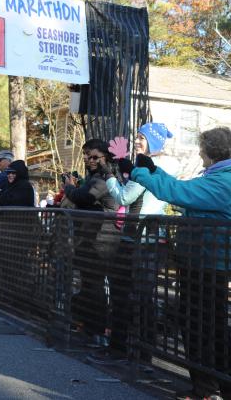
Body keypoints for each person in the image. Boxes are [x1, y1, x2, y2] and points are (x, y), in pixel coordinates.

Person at [130, 127, 231, 400]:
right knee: (205, 324)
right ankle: (218, 388)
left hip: (207, 261)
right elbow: (184, 189)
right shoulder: (221, 176)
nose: (200, 153)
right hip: (201, 258)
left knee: (203, 325)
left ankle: (213, 389)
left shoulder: (223, 182)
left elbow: (178, 192)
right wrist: (154, 170)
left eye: (202, 149)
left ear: (211, 152)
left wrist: (139, 173)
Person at [91, 123, 180, 367]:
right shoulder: (151, 165)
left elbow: (124, 196)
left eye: (142, 137)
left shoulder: (149, 167)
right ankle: (134, 352)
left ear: (154, 142)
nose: (137, 140)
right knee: (134, 296)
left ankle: (131, 352)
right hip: (140, 238)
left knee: (133, 296)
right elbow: (131, 188)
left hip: (142, 239)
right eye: (137, 136)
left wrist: (110, 175)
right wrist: (122, 163)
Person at [61, 139, 120, 354]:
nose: (88, 159)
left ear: (106, 157)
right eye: (86, 155)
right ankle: (88, 328)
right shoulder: (94, 177)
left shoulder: (105, 178)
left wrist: (69, 187)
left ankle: (97, 331)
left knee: (95, 286)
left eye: (94, 156)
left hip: (103, 240)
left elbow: (85, 197)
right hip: (89, 238)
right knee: (88, 284)